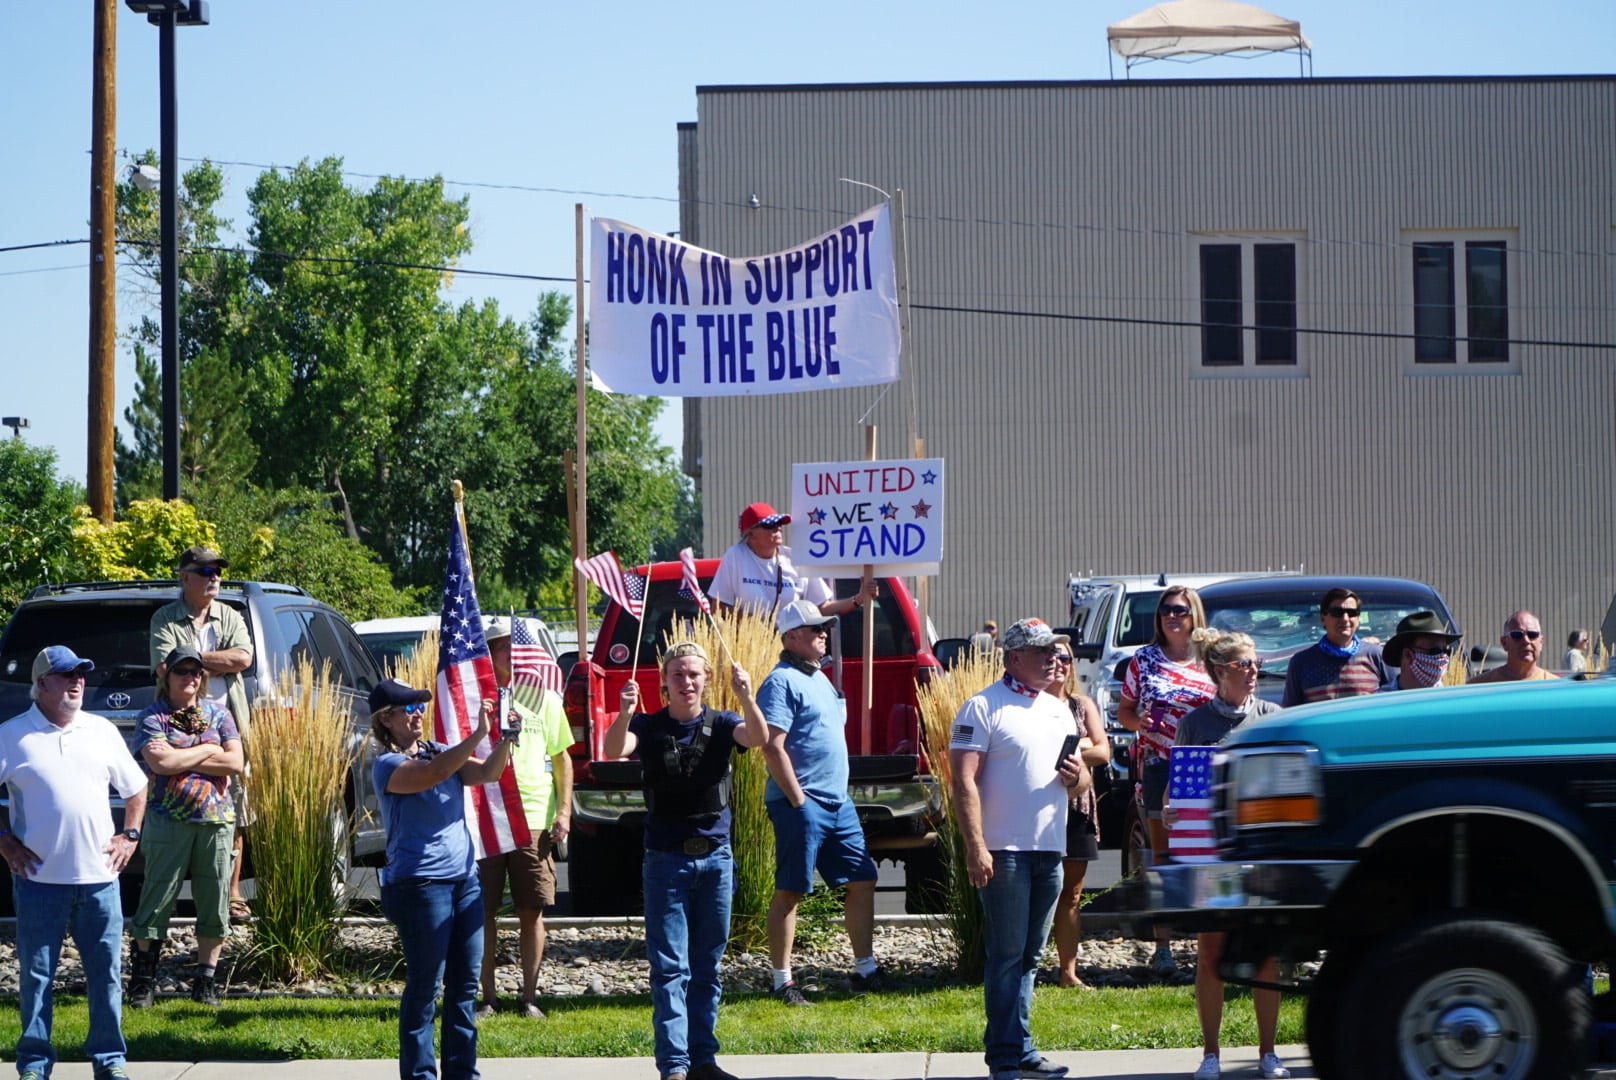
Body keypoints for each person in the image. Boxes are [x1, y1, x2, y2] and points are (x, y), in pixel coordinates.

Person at [605, 642, 768, 1080]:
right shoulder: (648, 725)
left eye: (694, 674)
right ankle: (674, 1064)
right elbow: (615, 747)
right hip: (666, 861)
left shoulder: (725, 722)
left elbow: (758, 738)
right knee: (669, 968)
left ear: (707, 680)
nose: (686, 682)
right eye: (677, 675)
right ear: (664, 683)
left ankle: (703, 1060)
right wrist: (623, 711)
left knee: (707, 967)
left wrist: (748, 695)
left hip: (716, 859)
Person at [949, 618, 1090, 1080]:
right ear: (1013, 658)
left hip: (1049, 848)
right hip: (1002, 850)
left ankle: (1022, 1048)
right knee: (1007, 955)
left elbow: (1080, 780)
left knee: (1030, 956)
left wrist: (1077, 779)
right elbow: (963, 779)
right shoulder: (983, 707)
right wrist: (976, 846)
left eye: (1055, 651)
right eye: (1041, 651)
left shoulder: (1058, 710)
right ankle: (1005, 1057)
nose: (1053, 658)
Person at [0, 646, 148, 1080]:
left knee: (105, 977)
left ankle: (110, 1062)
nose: (77, 682)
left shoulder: (100, 731)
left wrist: (131, 835)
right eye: (66, 676)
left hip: (100, 879)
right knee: (36, 977)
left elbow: (136, 790)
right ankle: (33, 1064)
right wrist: (5, 840)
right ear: (41, 683)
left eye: (81, 674)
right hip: (38, 880)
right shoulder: (12, 734)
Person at [370, 678, 516, 1080]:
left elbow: (486, 772)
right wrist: (479, 734)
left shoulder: (438, 751)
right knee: (425, 987)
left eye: (420, 706)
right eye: (409, 709)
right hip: (420, 886)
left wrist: (505, 738)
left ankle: (461, 1072)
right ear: (387, 719)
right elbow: (434, 773)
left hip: (464, 882)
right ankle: (419, 1074)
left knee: (464, 986)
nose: (419, 714)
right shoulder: (386, 763)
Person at [1171, 629, 1289, 1080]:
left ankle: (1268, 1052)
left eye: (1257, 663)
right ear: (1220, 672)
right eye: (1245, 664)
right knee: (1210, 952)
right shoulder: (1195, 724)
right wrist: (1174, 812)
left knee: (1266, 953)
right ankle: (1211, 1053)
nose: (1255, 670)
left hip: (1260, 852)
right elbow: (1182, 794)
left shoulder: (1272, 717)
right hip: (1213, 854)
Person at [757, 599, 884, 1004]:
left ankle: (865, 970)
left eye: (823, 628)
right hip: (803, 803)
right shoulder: (779, 682)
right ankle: (782, 981)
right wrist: (797, 799)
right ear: (791, 637)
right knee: (791, 890)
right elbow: (771, 745)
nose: (823, 634)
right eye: (814, 629)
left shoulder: (819, 678)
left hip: (836, 802)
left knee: (863, 879)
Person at [126, 645, 245, 1008]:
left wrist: (185, 759)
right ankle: (143, 981)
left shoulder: (219, 713)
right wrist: (209, 751)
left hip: (216, 822)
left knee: (213, 902)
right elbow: (161, 763)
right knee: (157, 899)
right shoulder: (153, 717)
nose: (191, 677)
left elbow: (236, 762)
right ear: (167, 676)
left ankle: (205, 981)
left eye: (196, 672)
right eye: (183, 672)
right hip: (167, 821)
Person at [474, 620, 574, 1021]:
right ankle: (487, 998)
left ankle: (529, 997)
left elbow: (562, 757)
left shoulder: (545, 699)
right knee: (482, 910)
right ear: (490, 654)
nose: (513, 656)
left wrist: (564, 810)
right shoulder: (474, 697)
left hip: (533, 818)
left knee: (532, 909)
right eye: (504, 650)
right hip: (485, 814)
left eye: (517, 649)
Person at [149, 545, 254, 925]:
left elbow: (243, 658)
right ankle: (168, 897)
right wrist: (210, 659)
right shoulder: (165, 617)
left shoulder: (229, 614)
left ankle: (231, 893)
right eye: (205, 571)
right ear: (185, 576)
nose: (214, 578)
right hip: (177, 726)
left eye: (217, 572)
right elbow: (163, 666)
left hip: (225, 725)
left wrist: (188, 659)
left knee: (233, 808)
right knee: (175, 809)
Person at [1116, 585, 1215, 975]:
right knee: (1163, 855)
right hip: (1159, 763)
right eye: (1165, 611)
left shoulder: (1211, 657)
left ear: (1195, 615)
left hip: (1205, 762)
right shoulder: (1143, 660)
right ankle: (1163, 945)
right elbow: (1124, 710)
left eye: (1180, 610)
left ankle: (1210, 938)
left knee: (1207, 853)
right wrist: (1137, 721)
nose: (1172, 617)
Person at [1048, 641, 1109, 989]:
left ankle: (1068, 972)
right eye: (1052, 657)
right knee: (1037, 890)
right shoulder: (1028, 704)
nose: (1058, 664)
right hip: (1036, 810)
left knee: (1071, 893)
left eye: (1065, 658)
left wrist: (1078, 750)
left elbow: (1103, 749)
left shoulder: (1082, 706)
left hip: (1078, 809)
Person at [708, 502, 874, 618]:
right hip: (751, 649)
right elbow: (719, 606)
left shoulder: (794, 558)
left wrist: (858, 599)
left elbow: (820, 608)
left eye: (779, 523)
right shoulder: (736, 556)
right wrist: (755, 625)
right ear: (750, 534)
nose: (778, 528)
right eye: (769, 525)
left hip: (792, 647)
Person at [1280, 587, 1388, 706]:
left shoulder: (1377, 656)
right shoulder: (1301, 663)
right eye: (1337, 613)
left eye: (1351, 613)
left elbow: (1396, 702)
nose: (1345, 619)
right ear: (1322, 619)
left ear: (1358, 619)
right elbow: (1290, 714)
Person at [1380, 611, 1463, 691]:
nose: (1443, 658)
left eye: (1446, 651)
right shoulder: (1382, 702)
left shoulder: (1450, 700)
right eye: (1435, 651)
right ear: (1408, 655)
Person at [1468, 611, 1559, 684]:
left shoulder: (1556, 687)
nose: (1526, 641)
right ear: (1504, 643)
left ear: (1541, 642)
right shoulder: (1480, 686)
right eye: (1517, 635)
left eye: (1532, 634)